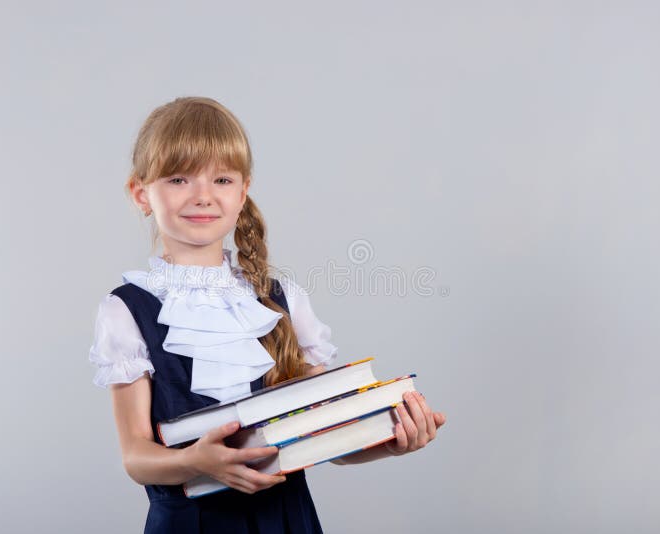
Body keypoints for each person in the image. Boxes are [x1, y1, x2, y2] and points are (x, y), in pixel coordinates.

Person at [88, 96, 446, 533]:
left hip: (286, 520)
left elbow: (324, 436)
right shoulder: (127, 309)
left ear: (243, 192)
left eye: (222, 178)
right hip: (189, 524)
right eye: (179, 178)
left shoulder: (282, 299)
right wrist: (192, 461)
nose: (203, 196)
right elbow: (136, 457)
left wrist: (389, 443)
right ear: (141, 193)